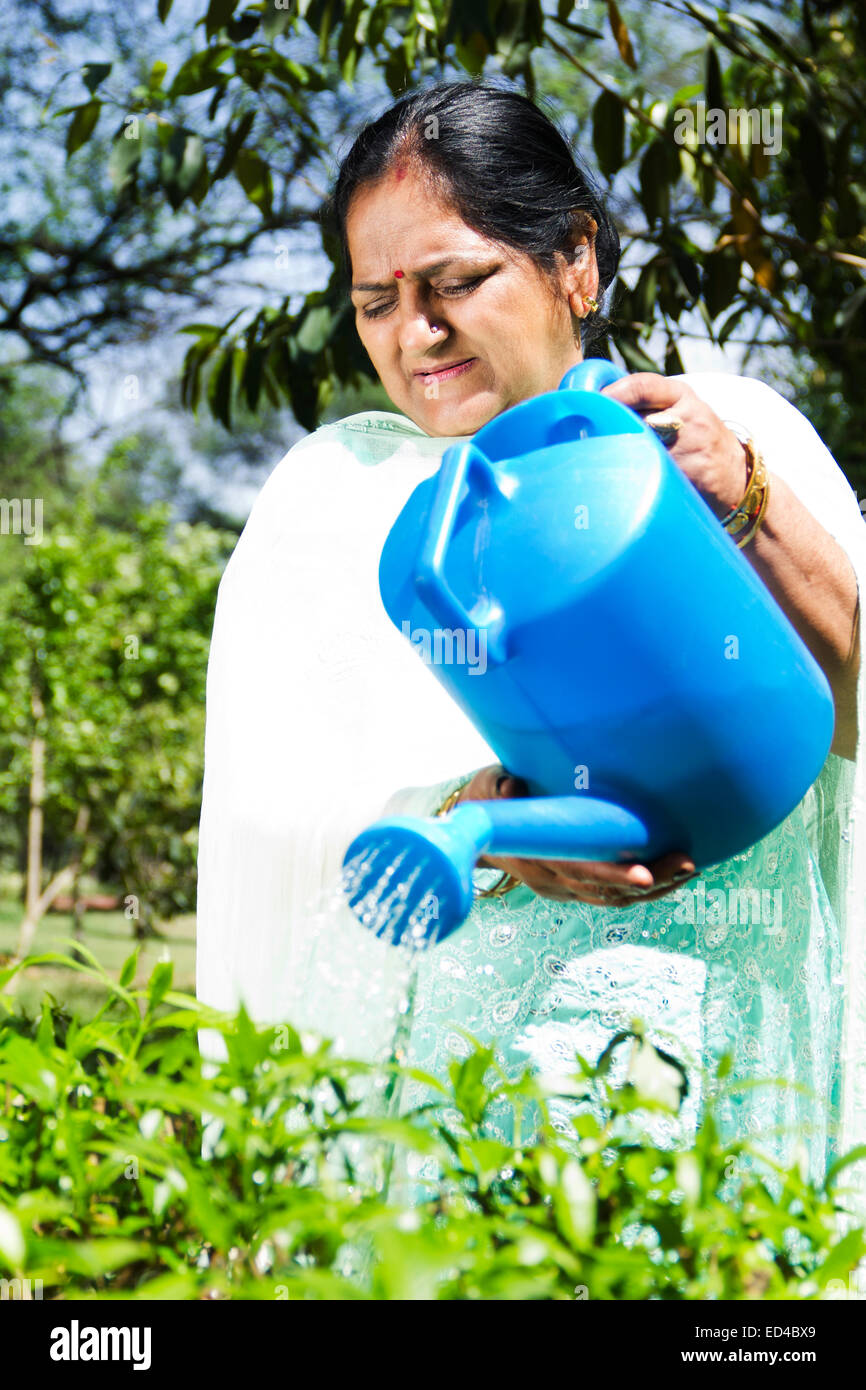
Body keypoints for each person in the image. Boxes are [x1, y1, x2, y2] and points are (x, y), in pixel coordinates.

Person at [196, 81, 866, 1228]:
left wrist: (741, 498)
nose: (415, 333)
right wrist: (479, 823)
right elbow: (267, 831)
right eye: (374, 301)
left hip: (735, 1065)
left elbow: (847, 712)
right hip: (463, 1088)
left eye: (455, 282)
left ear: (574, 261)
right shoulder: (337, 504)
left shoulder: (723, 433)